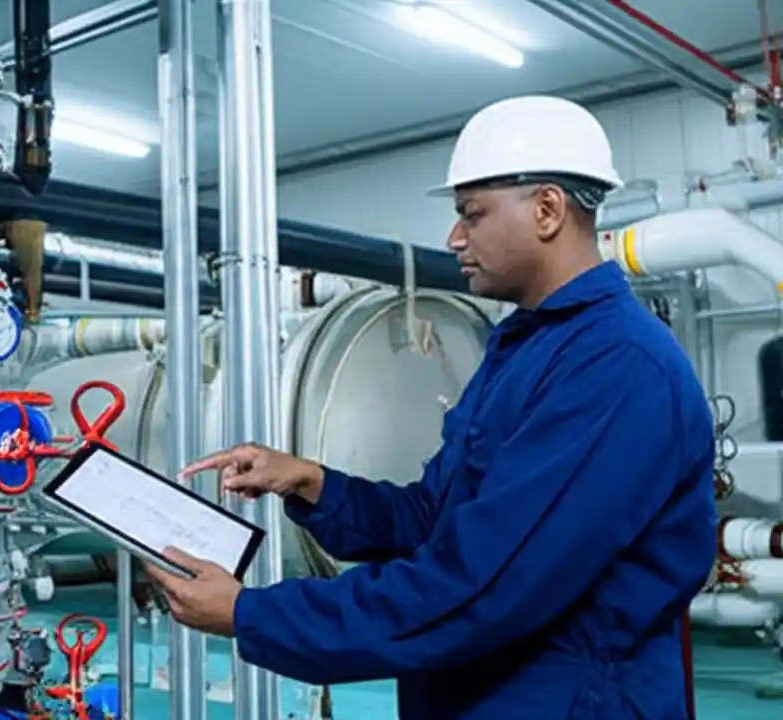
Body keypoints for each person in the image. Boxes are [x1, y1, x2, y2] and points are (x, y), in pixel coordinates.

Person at [145, 95, 717, 719]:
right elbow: (436, 517)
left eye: (472, 214)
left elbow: (480, 587)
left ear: (548, 210)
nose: (454, 238)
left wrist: (252, 615)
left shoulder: (615, 364)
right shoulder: (528, 345)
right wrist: (313, 484)